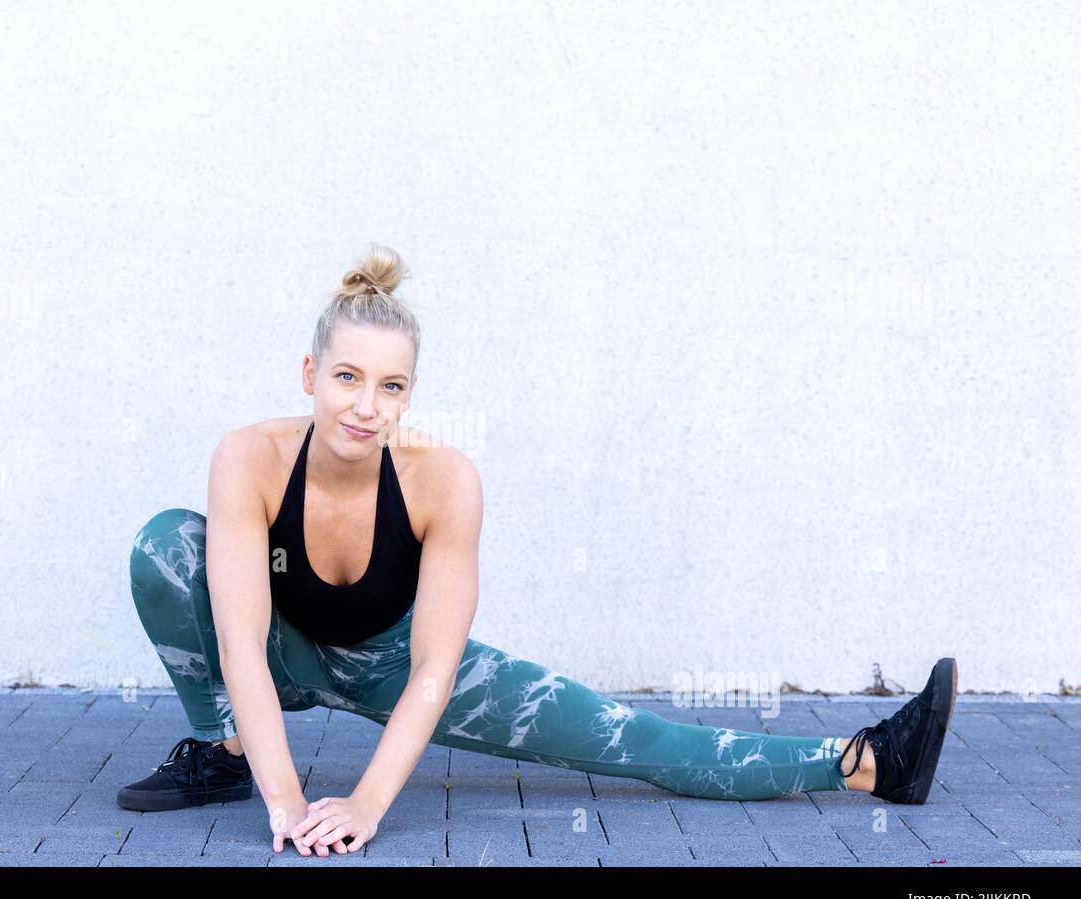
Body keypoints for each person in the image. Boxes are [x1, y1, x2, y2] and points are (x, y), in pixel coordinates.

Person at [119, 242, 960, 858]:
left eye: (390, 385)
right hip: (280, 655)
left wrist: (368, 803)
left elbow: (435, 668)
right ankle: (225, 753)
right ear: (310, 374)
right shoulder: (251, 458)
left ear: (410, 394)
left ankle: (864, 762)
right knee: (166, 546)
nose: (365, 405)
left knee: (631, 736)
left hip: (395, 667)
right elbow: (240, 641)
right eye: (347, 377)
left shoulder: (445, 481)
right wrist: (287, 802)